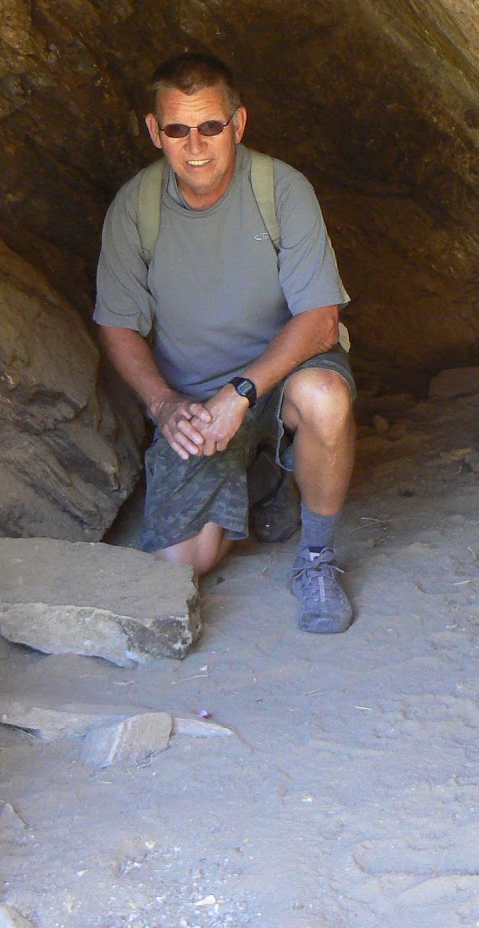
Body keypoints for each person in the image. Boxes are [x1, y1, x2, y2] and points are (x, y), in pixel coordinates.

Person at [93, 52, 357, 633]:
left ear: (237, 125)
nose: (196, 146)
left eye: (211, 126)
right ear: (153, 131)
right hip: (195, 397)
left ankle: (315, 559)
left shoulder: (281, 190)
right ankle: (265, 480)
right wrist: (165, 405)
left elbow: (318, 318)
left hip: (280, 377)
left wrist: (240, 394)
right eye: (177, 129)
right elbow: (117, 325)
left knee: (324, 397)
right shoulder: (136, 208)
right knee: (187, 562)